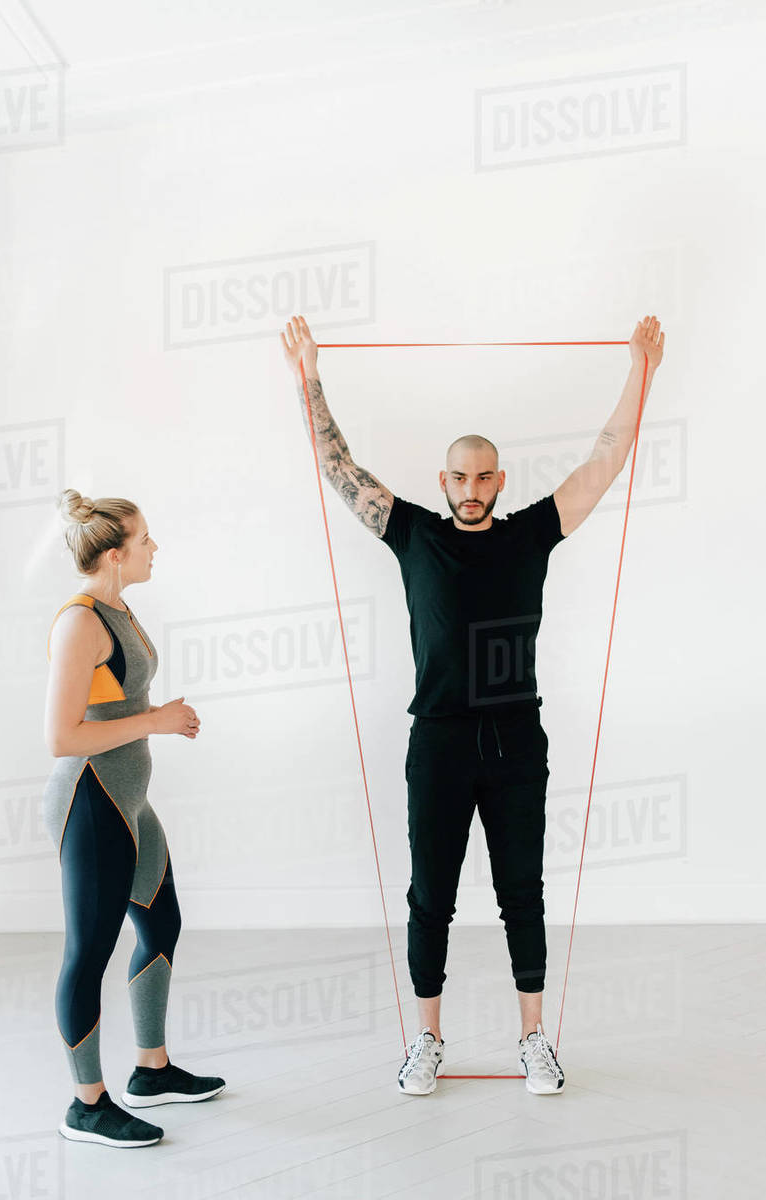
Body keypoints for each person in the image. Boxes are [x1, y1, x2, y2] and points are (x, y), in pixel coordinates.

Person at [281, 313, 665, 1095]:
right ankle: (426, 1042)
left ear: (499, 480)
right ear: (443, 482)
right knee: (432, 896)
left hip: (517, 739)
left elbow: (604, 457)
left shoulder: (531, 535)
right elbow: (336, 462)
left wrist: (639, 369)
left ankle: (533, 1038)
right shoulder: (412, 534)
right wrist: (308, 375)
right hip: (441, 742)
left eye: (484, 475)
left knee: (522, 891)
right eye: (458, 476)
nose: (470, 487)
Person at [43, 490, 226, 1147]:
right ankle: (86, 1105)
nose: (155, 548)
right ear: (115, 554)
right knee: (87, 952)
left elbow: (113, 706)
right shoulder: (80, 623)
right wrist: (158, 721)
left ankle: (151, 1072)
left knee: (161, 924)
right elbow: (61, 738)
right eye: (146, 540)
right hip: (91, 804)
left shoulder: (119, 605)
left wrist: (152, 722)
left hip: (129, 800)